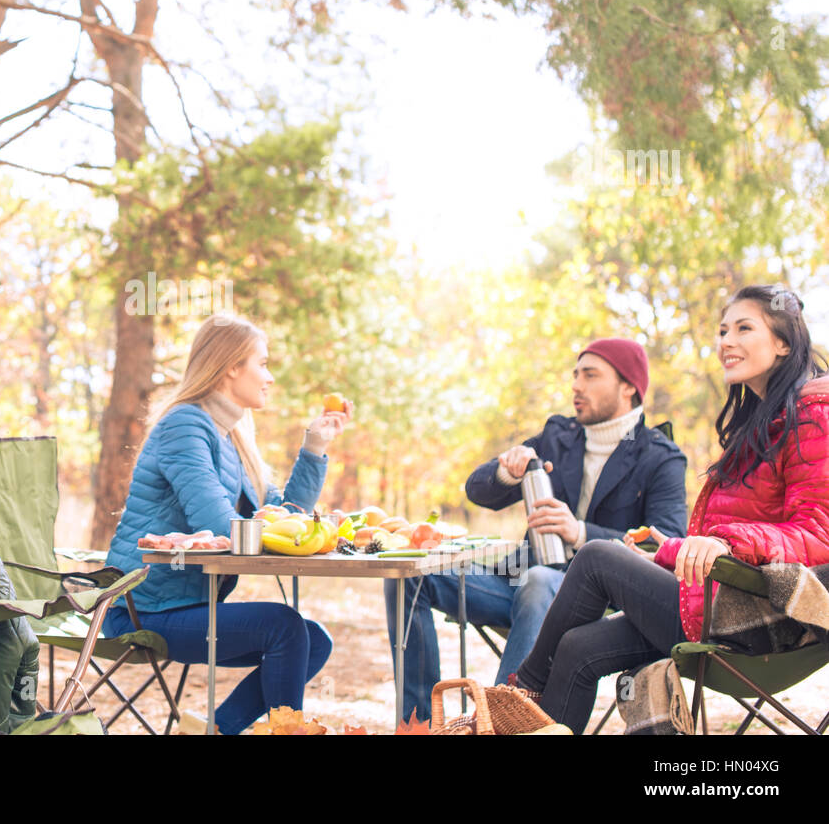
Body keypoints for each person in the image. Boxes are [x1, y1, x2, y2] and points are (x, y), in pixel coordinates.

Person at [515, 285, 829, 732]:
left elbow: (819, 536)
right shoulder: (763, 421)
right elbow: (749, 533)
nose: (726, 342)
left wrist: (724, 541)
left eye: (744, 328)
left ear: (783, 342)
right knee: (578, 647)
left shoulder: (814, 415)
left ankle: (517, 692)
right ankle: (527, 710)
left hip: (763, 624)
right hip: (723, 601)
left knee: (597, 556)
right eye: (723, 331)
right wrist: (672, 550)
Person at [385, 337, 688, 722]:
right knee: (410, 573)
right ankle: (419, 723)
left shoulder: (659, 456)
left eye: (590, 375)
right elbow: (477, 490)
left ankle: (497, 724)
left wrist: (580, 532)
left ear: (628, 386)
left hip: (599, 605)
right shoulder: (558, 437)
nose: (576, 386)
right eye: (575, 375)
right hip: (515, 583)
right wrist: (506, 471)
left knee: (540, 580)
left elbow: (666, 541)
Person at [103, 314, 351, 734]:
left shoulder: (231, 438)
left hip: (187, 605)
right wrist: (284, 530)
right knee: (285, 628)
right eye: (263, 363)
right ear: (232, 366)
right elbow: (219, 525)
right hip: (141, 609)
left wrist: (315, 446)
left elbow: (283, 512)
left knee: (312, 637)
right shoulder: (185, 424)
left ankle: (216, 730)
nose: (269, 377)